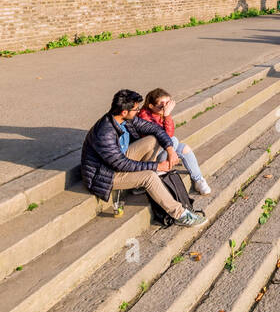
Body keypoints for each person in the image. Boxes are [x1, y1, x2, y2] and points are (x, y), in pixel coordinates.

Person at [80, 89, 205, 226]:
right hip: (105, 174)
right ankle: (180, 214)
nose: (138, 111)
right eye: (136, 109)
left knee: (153, 139)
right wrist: (156, 166)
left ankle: (142, 182)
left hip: (120, 160)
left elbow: (155, 129)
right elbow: (121, 165)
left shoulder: (124, 118)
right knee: (149, 177)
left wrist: (170, 149)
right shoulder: (104, 133)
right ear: (124, 112)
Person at [139, 88, 212, 195]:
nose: (165, 106)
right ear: (151, 106)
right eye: (162, 103)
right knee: (173, 140)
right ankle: (160, 168)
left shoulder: (161, 113)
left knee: (185, 148)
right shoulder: (144, 116)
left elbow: (169, 134)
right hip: (148, 155)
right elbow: (167, 137)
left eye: (167, 103)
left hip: (160, 148)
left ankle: (198, 180)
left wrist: (166, 115)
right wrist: (167, 115)